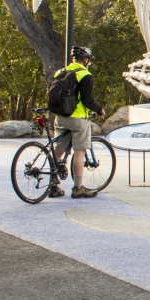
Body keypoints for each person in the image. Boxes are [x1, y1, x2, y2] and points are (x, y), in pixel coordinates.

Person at [50, 46, 105, 199]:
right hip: (77, 120)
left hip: (60, 117)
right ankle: (78, 188)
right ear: (85, 60)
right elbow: (87, 100)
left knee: (58, 151)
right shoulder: (85, 75)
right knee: (79, 152)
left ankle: (53, 185)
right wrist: (99, 109)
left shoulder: (60, 73)